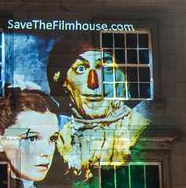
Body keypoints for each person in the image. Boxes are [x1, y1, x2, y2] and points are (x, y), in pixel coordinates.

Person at [46, 38, 150, 176]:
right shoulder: (57, 138)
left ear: (126, 77)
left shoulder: (139, 125)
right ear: (60, 78)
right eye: (81, 69)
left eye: (106, 69)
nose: (93, 82)